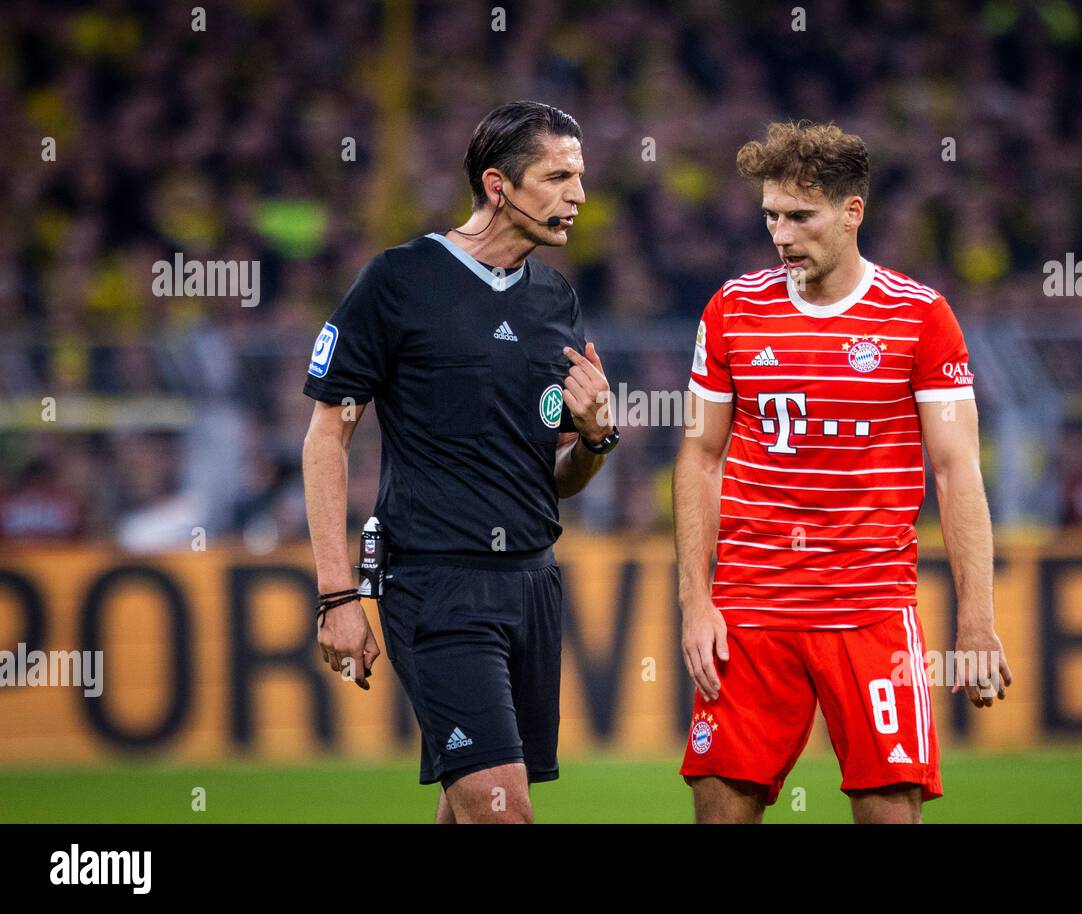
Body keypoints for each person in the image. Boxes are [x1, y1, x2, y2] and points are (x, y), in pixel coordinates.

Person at [673, 120, 1012, 824]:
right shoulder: (733, 308)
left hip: (870, 613)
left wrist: (977, 619)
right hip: (751, 611)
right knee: (718, 812)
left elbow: (957, 472)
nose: (782, 234)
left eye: (801, 216)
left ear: (852, 212)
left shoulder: (920, 317)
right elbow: (700, 457)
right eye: (771, 216)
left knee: (888, 813)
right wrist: (694, 601)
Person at [301, 101, 618, 824]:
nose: (579, 196)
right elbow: (327, 436)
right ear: (499, 184)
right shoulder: (398, 280)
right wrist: (335, 595)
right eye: (559, 176)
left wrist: (597, 438)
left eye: (581, 177)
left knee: (469, 804)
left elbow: (556, 476)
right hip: (435, 582)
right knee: (503, 808)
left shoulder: (555, 299)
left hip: (533, 583)